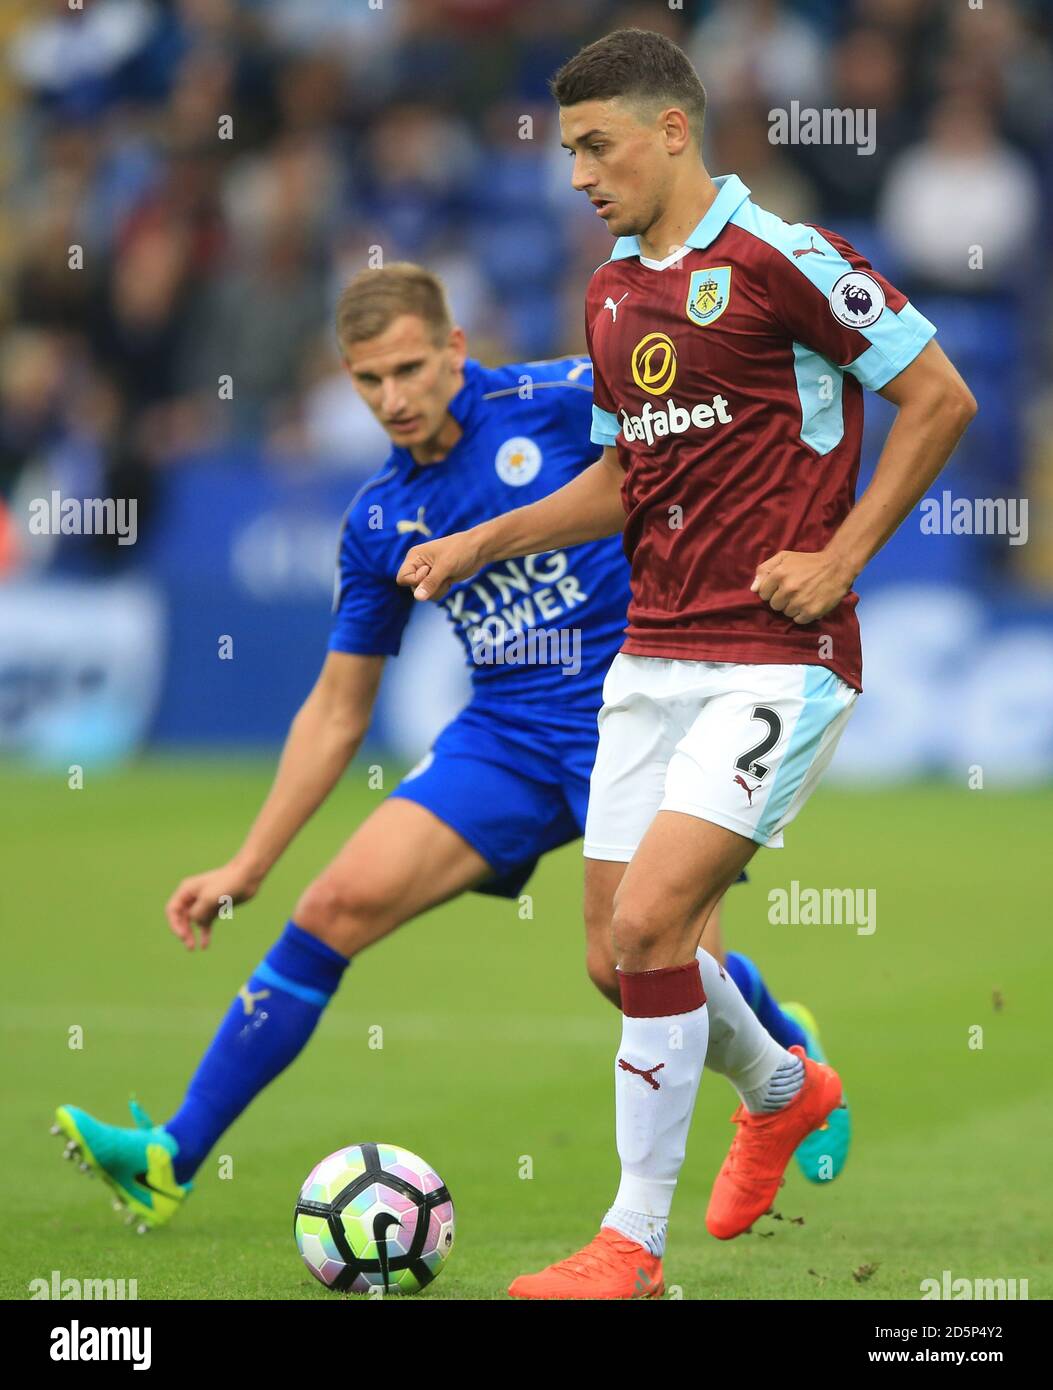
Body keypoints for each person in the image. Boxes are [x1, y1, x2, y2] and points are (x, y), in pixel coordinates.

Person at [53, 262, 830, 1233]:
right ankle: (173, 1154)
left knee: (629, 966)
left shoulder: (555, 397)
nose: (394, 398)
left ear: (456, 346)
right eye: (369, 381)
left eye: (412, 368)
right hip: (504, 734)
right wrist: (248, 860)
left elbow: (691, 425)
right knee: (330, 906)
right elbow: (339, 707)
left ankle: (790, 1062)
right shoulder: (379, 517)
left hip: (637, 716)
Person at [396, 29, 976, 1300]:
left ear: (672, 131)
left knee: (657, 924)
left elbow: (940, 395)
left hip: (779, 655)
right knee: (617, 959)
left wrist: (841, 556)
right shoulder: (611, 291)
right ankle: (784, 1083)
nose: (579, 176)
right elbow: (620, 476)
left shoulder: (782, 256)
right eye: (569, 153)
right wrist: (482, 537)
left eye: (598, 147)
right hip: (651, 656)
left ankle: (630, 1246)